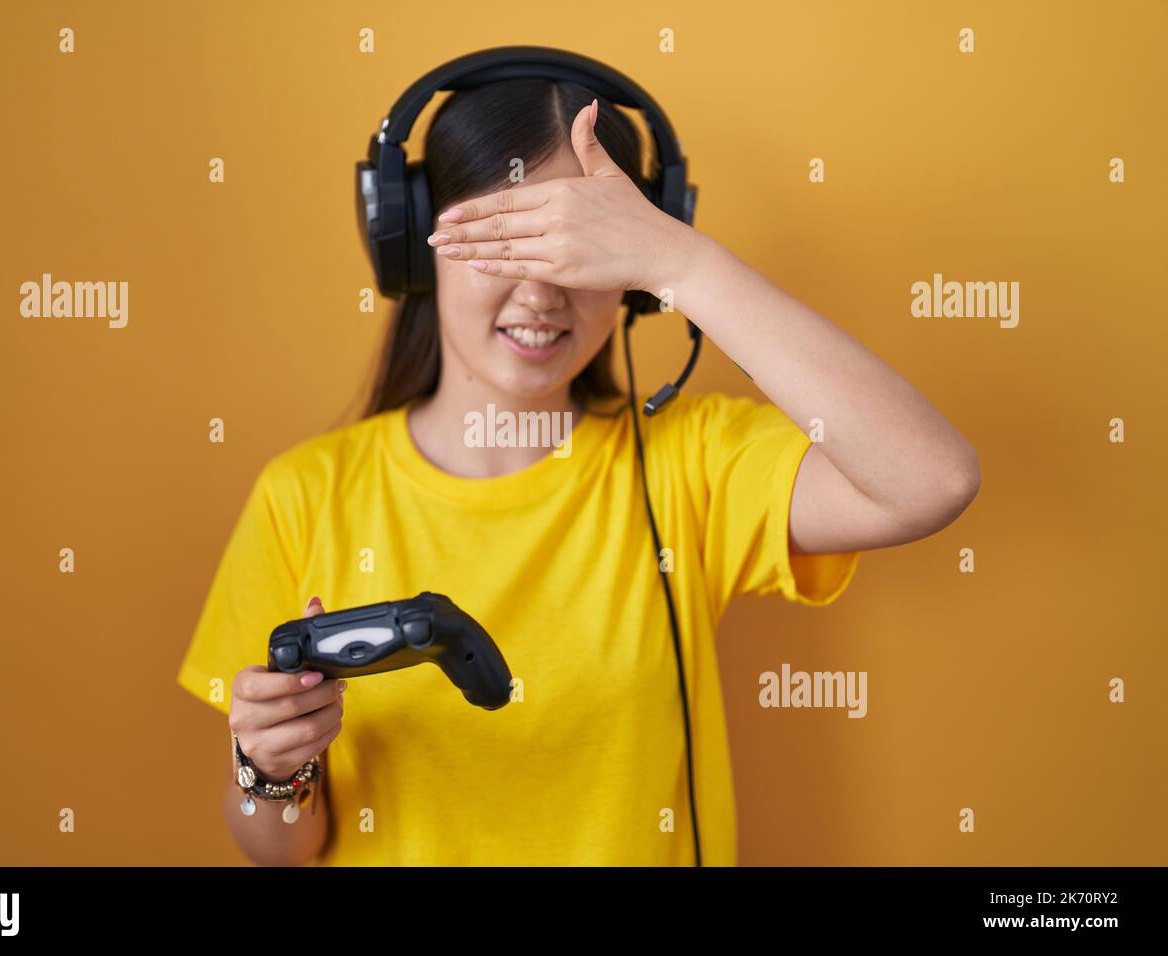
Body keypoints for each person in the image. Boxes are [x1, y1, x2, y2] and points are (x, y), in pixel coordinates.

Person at [175, 77, 979, 866]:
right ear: (413, 244)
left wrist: (684, 266)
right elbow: (279, 855)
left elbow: (931, 480)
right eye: (502, 241)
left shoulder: (691, 463)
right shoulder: (305, 493)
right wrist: (271, 768)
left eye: (576, 249)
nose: (541, 295)